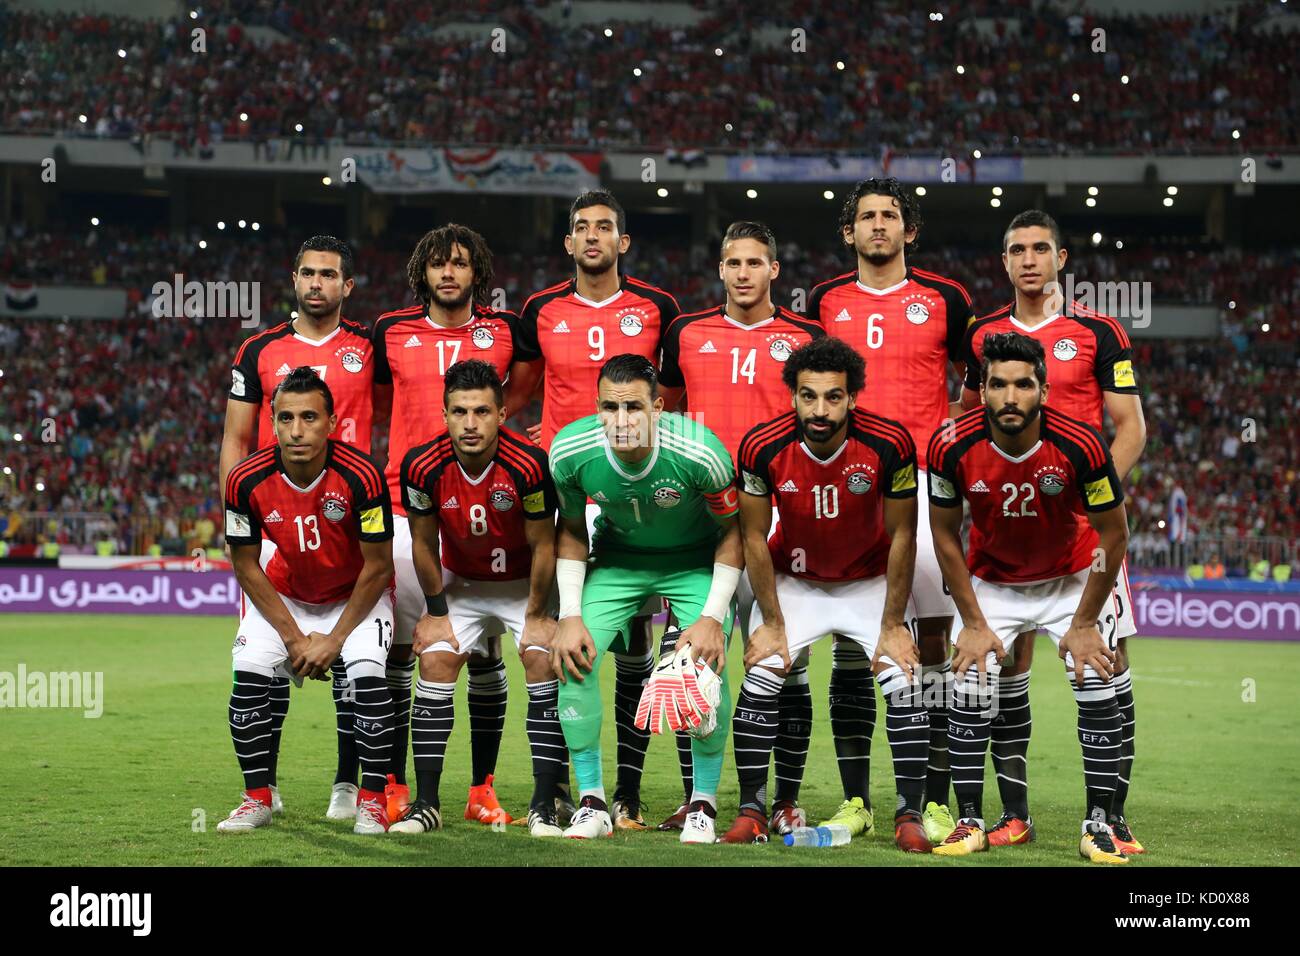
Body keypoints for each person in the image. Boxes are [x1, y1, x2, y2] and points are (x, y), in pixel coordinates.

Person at [962, 209, 1147, 853]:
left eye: (1042, 248)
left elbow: (1130, 428)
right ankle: (1014, 814)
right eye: (1018, 250)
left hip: (1082, 531)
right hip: (1007, 535)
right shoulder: (982, 333)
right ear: (1005, 262)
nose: (1030, 259)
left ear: (1062, 259)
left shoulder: (1099, 331)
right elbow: (968, 424)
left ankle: (1110, 815)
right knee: (1005, 670)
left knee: (1103, 661)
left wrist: (1084, 496)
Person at [807, 177, 976, 843]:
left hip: (929, 487)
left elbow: (980, 376)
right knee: (856, 644)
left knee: (932, 644)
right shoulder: (824, 301)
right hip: (852, 489)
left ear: (910, 230)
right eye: (866, 217)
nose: (879, 226)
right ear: (848, 233)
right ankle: (858, 799)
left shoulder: (946, 299)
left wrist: (952, 429)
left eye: (891, 216)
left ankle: (934, 799)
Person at [510, 190, 683, 830]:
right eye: (581, 228)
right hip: (568, 493)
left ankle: (628, 792)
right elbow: (521, 389)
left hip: (632, 494)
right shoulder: (540, 309)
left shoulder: (657, 308)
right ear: (568, 242)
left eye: (604, 228)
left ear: (623, 242)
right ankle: (557, 791)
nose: (592, 237)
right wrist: (526, 431)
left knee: (635, 648)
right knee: (567, 644)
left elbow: (675, 393)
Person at [927, 333, 1131, 864]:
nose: (1010, 397)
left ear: (1043, 390)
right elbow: (944, 534)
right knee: (968, 686)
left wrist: (1085, 621)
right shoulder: (949, 443)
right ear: (983, 389)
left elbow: (1115, 533)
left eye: (1023, 385)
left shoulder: (1082, 442)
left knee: (1095, 680)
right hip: (994, 581)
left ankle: (1098, 825)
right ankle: (969, 819)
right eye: (997, 384)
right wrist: (972, 620)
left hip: (1070, 577)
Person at [724, 337, 929, 851]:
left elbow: (905, 534)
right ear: (792, 395)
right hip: (796, 583)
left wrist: (892, 624)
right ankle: (752, 810)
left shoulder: (891, 443)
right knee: (762, 677)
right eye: (808, 396)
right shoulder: (760, 445)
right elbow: (752, 535)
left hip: (869, 583)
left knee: (904, 681)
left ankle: (909, 815)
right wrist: (771, 623)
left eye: (833, 397)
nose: (820, 409)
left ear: (853, 398)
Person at [657, 219, 823, 835]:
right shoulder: (685, 333)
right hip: (702, 524)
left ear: (774, 270)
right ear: (720, 270)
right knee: (689, 660)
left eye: (756, 263)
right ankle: (696, 796)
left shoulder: (806, 337)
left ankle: (783, 798)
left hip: (778, 523)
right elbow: (665, 413)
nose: (744, 274)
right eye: (734, 263)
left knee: (787, 663)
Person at [547, 354, 742, 843]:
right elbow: (571, 530)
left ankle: (703, 804)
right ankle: (591, 802)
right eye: (609, 409)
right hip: (618, 562)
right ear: (597, 408)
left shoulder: (701, 451)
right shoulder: (570, 451)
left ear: (658, 406)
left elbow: (732, 532)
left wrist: (714, 618)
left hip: (694, 561)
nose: (621, 421)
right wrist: (569, 615)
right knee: (575, 657)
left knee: (701, 665)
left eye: (633, 407)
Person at [371, 224, 522, 824]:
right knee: (402, 655)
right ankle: (394, 787)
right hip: (405, 512)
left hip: (483, 513)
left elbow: (525, 388)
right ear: (423, 273)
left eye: (460, 263)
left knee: (485, 654)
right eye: (438, 265)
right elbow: (378, 401)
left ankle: (481, 788)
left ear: (476, 271)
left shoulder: (504, 332)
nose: (449, 273)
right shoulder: (390, 330)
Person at [219, 235, 374, 821]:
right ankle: (264, 791)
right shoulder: (257, 350)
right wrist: (238, 512)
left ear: (346, 286)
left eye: (329, 275)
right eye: (307, 273)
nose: (317, 283)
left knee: (355, 669)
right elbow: (236, 438)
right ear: (294, 278)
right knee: (266, 665)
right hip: (278, 520)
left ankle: (346, 784)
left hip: (351, 518)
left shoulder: (369, 346)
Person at [391, 361, 565, 837]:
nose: (471, 423)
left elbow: (544, 545)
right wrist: (436, 613)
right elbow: (424, 545)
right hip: (462, 584)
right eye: (460, 411)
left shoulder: (529, 464)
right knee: (436, 661)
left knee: (540, 659)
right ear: (444, 413)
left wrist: (537, 614)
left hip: (522, 584)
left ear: (502, 413)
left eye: (482, 411)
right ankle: (427, 804)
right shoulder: (421, 466)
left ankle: (543, 804)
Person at [219, 368, 395, 835]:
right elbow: (245, 564)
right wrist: (294, 638)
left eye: (310, 417)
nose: (297, 430)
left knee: (368, 684)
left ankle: (372, 801)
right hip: (286, 595)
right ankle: (257, 797)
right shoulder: (244, 480)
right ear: (272, 422)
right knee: (249, 679)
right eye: (285, 418)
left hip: (354, 596)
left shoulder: (363, 476)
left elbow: (378, 567)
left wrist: (335, 639)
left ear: (332, 423)